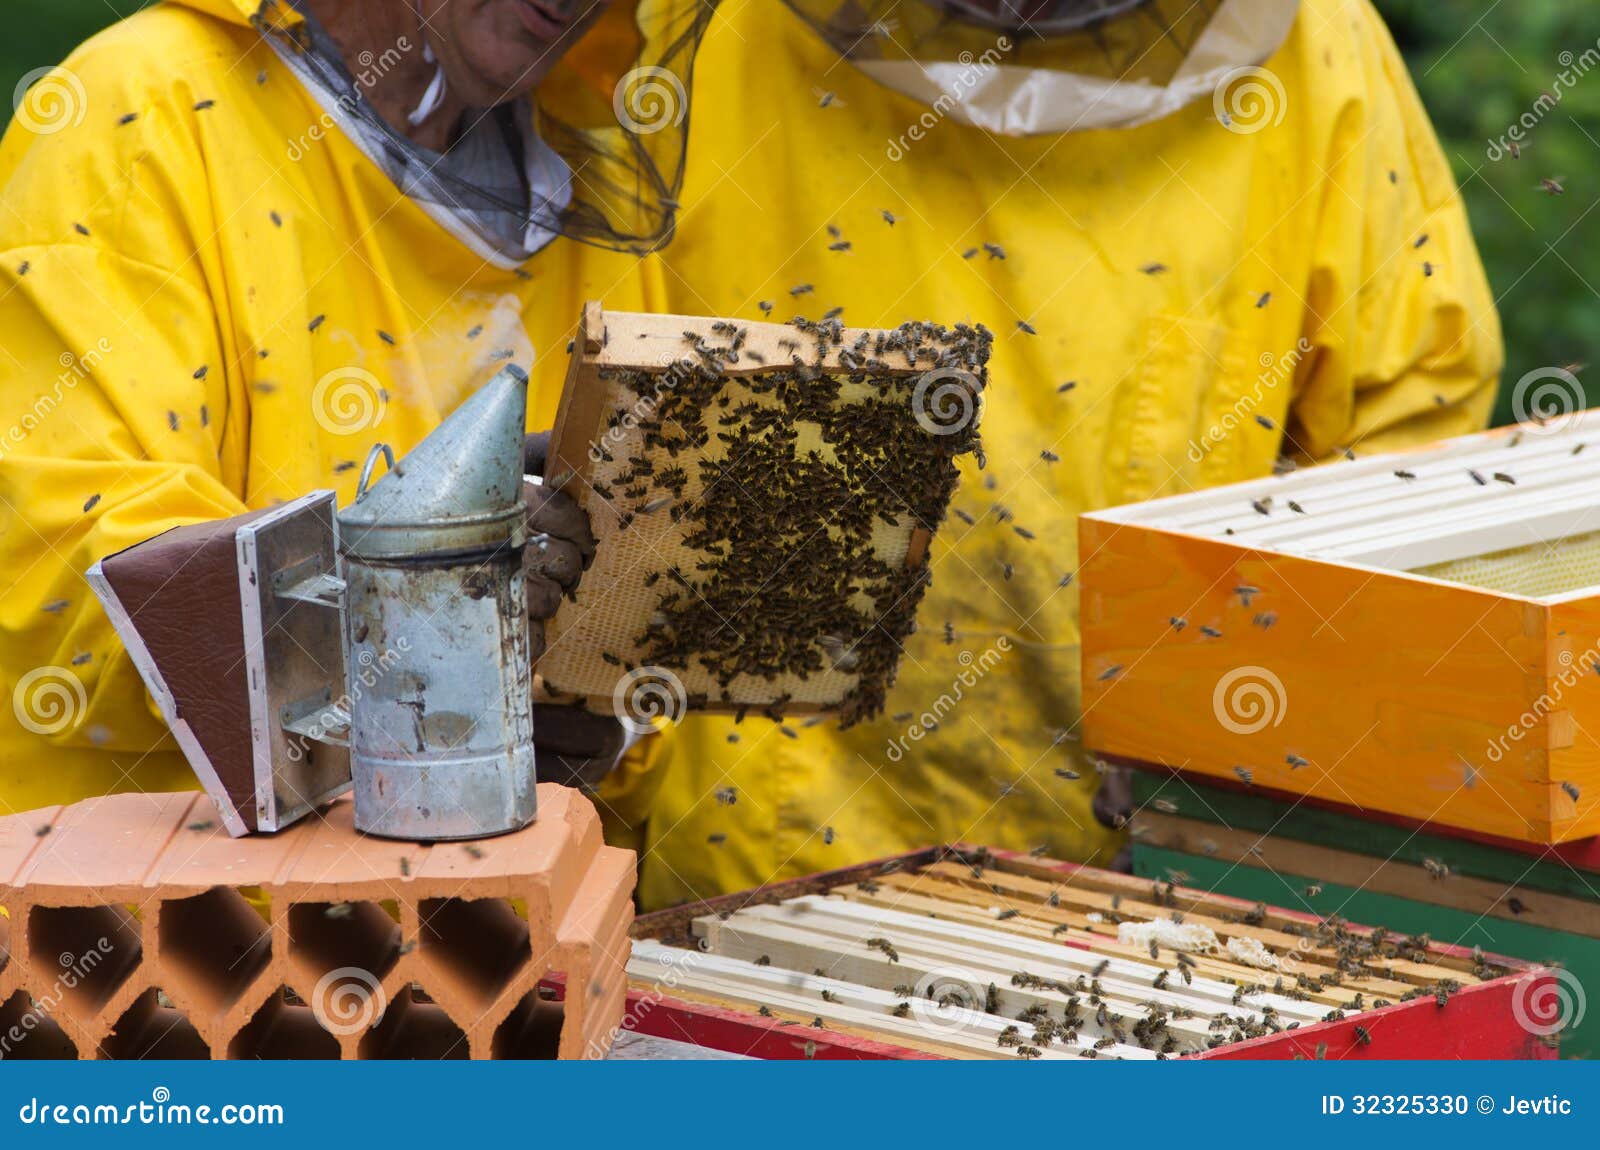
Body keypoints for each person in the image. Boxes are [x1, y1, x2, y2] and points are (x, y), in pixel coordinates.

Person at [606, 0, 1505, 910]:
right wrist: (623, 761)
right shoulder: (695, 39)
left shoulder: (1317, 54)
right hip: (756, 868)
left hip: (1153, 894)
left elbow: (1411, 444)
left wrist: (1235, 718)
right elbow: (570, 456)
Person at [0, 0, 715, 814]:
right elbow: (64, 572)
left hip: (473, 918)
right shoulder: (145, 109)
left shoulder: (575, 186)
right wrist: (418, 600)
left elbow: (632, 617)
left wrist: (592, 724)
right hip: (151, 911)